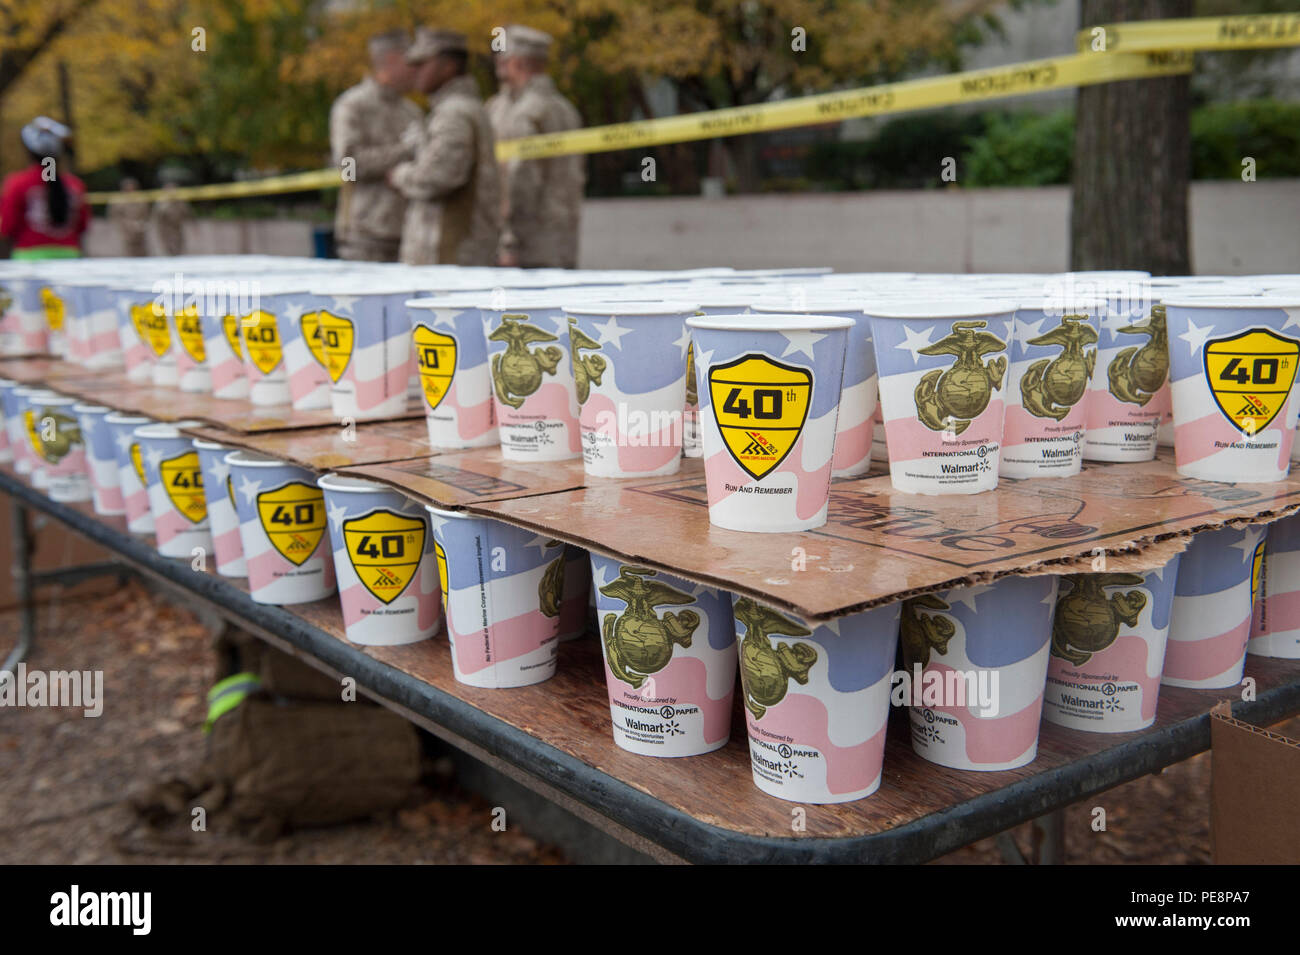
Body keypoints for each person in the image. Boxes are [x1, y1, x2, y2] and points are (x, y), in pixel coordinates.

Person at [390, 28, 500, 266]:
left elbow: (439, 176)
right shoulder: (459, 108)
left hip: (447, 254)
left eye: (422, 64)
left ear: (449, 66)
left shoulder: (454, 113)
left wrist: (400, 175)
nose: (414, 70)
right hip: (450, 252)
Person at [329, 30, 423, 262]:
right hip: (365, 235)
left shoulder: (412, 112)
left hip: (410, 231)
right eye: (411, 62)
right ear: (392, 60)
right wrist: (404, 151)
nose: (417, 69)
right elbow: (349, 166)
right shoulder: (353, 106)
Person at [496, 26, 585, 268]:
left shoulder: (525, 113)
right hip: (562, 241)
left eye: (503, 59)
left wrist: (509, 243)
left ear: (518, 63)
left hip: (529, 247)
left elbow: (520, 180)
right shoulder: (565, 108)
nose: (499, 64)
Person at [0, 117, 90, 260]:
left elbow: (8, 227)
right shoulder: (75, 185)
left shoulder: (17, 183)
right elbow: (83, 225)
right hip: (70, 258)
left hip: (29, 260)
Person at [109, 178, 150, 256]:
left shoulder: (141, 198)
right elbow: (114, 216)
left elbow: (145, 214)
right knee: (126, 250)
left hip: (139, 228)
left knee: (141, 249)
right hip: (124, 229)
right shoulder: (117, 200)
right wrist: (125, 225)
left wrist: (141, 224)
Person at [152, 182, 191, 256]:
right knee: (168, 245)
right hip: (165, 227)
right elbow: (158, 214)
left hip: (177, 226)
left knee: (178, 243)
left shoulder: (180, 200)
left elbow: (186, 212)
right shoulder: (161, 201)